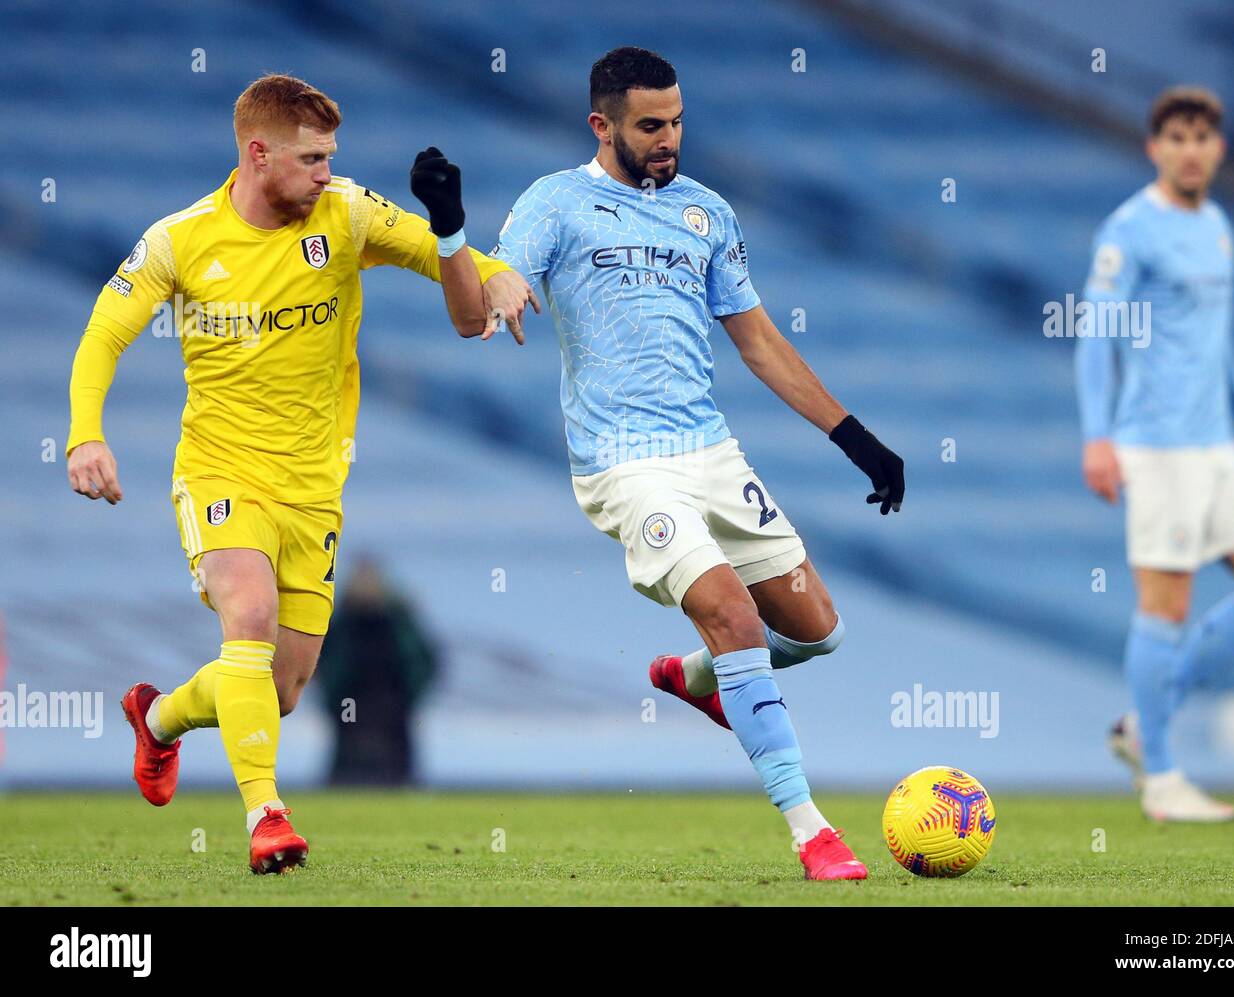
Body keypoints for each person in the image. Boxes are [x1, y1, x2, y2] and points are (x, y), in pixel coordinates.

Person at [65, 73, 533, 872]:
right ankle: (267, 818)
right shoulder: (180, 240)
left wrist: (482, 261)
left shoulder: (346, 214)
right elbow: (106, 331)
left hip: (313, 488)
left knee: (278, 689)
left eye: (330, 157)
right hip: (221, 474)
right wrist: (85, 435)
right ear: (258, 154)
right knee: (245, 618)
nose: (327, 172)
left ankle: (160, 719)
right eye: (312, 158)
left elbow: (448, 272)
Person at [486, 47, 905, 880]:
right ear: (602, 126)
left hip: (711, 451)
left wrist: (854, 436)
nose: (670, 137)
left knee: (820, 631)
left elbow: (759, 342)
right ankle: (813, 830)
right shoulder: (556, 203)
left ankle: (696, 678)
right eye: (651, 125)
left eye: (677, 120)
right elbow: (502, 274)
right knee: (734, 615)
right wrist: (498, 284)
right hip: (623, 463)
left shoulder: (706, 213)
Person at [1076, 86, 1234, 822]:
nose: (1191, 148)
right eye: (1177, 136)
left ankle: (1146, 719)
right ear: (1154, 147)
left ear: (1218, 148)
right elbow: (1095, 335)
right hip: (1156, 446)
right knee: (1164, 607)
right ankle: (1162, 778)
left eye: (1203, 136)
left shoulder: (1217, 226)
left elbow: (1215, 340)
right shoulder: (1130, 230)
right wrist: (1098, 435)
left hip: (1216, 446)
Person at [317, 557, 440, 786]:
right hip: (349, 711)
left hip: (392, 713)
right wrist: (331, 698)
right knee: (347, 779)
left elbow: (424, 662)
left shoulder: (400, 621)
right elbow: (321, 664)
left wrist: (409, 697)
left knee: (397, 779)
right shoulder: (341, 622)